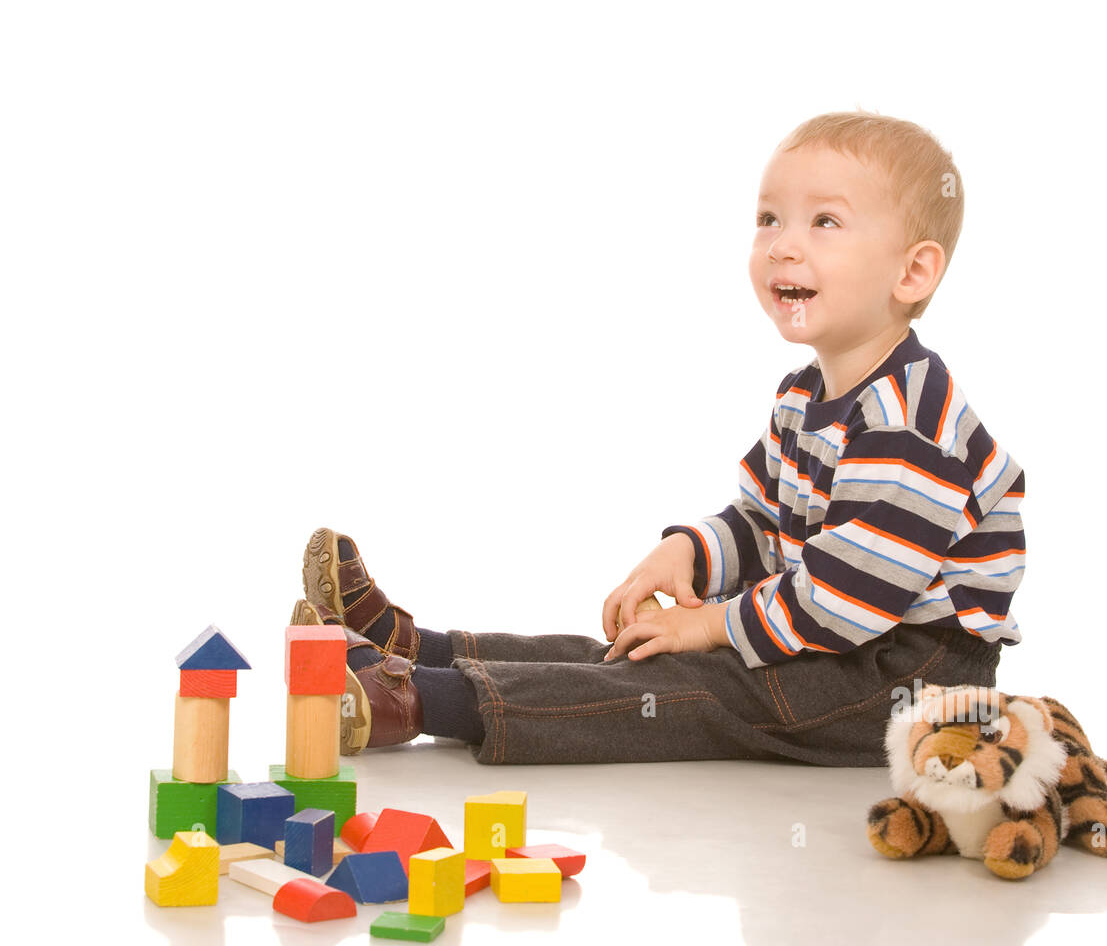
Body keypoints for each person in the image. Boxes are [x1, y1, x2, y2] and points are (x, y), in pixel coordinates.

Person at [295, 110, 1025, 767]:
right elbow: (764, 527)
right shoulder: (805, 397)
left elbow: (845, 600)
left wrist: (709, 625)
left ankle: (419, 704)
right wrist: (686, 556)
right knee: (634, 653)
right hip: (833, 638)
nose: (782, 246)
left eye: (823, 223)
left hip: (904, 680)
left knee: (687, 684)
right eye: (769, 219)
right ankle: (409, 652)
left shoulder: (909, 420)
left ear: (913, 269)